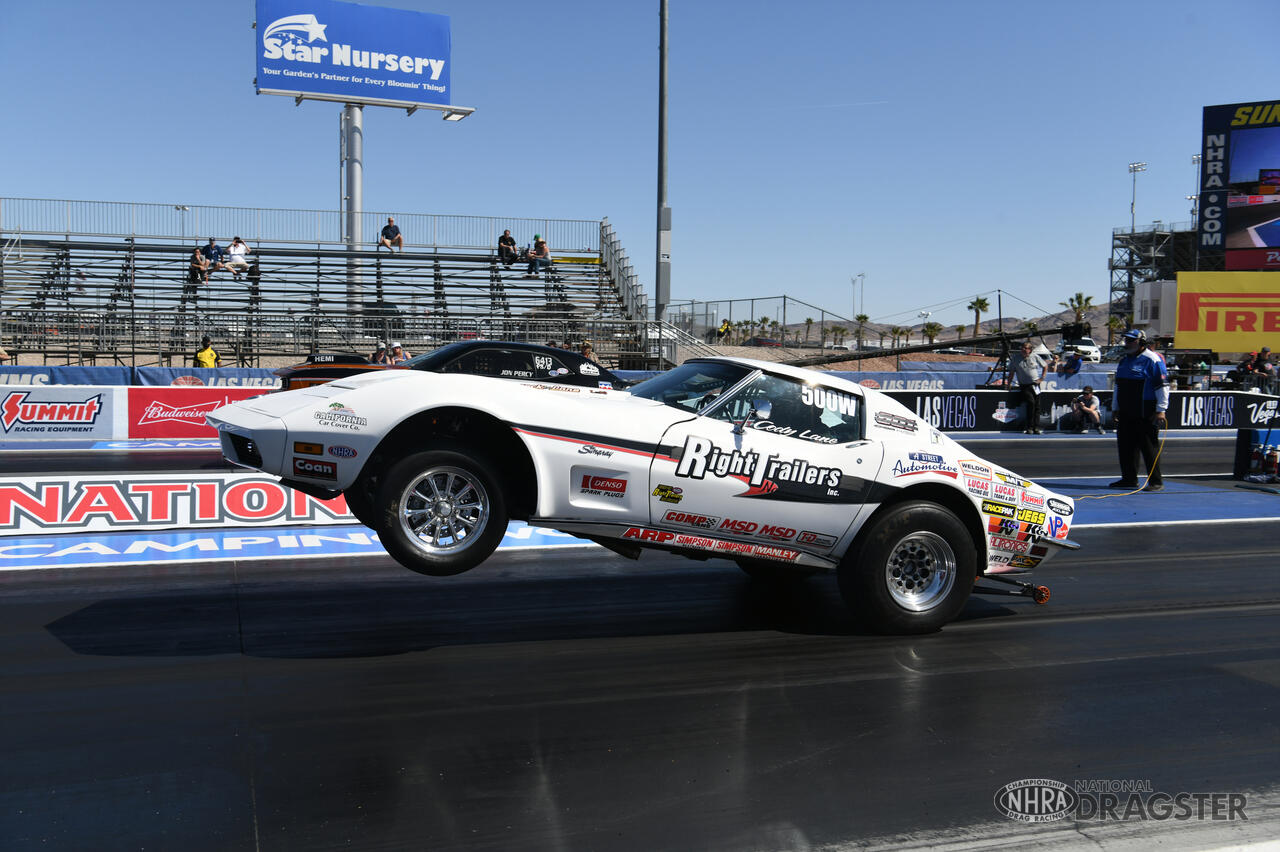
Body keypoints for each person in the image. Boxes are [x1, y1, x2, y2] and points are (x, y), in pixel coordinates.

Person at [1110, 328, 1169, 492]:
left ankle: (1156, 481)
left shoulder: (1152, 360)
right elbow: (1117, 386)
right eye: (1126, 340)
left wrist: (1161, 409)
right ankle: (1129, 479)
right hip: (1126, 411)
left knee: (1149, 447)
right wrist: (1115, 407)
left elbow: (1162, 386)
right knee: (1126, 447)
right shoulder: (1124, 361)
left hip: (1145, 411)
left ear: (1141, 342)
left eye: (1131, 340)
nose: (1127, 343)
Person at [1012, 341, 1046, 434]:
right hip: (1025, 385)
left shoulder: (1035, 356)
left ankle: (1036, 427)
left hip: (1035, 385)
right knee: (1031, 403)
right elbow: (1011, 372)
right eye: (1022, 348)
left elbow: (1045, 366)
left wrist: (1042, 378)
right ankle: (1029, 427)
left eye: (1026, 348)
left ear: (1030, 350)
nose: (1023, 350)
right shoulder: (1016, 358)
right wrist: (1008, 384)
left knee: (1037, 406)